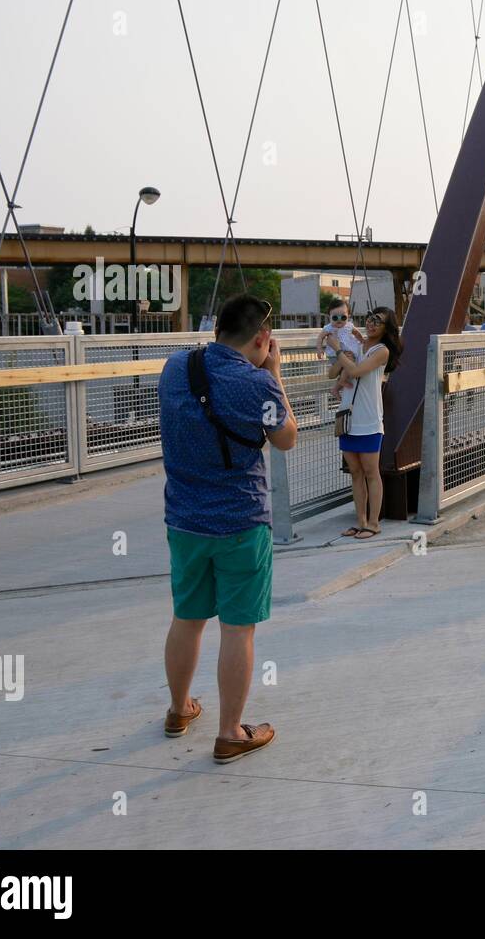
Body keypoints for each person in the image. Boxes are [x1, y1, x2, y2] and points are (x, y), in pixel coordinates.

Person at [157, 294, 297, 763]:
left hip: (185, 521)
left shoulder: (176, 368)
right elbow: (286, 439)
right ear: (262, 338)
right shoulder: (258, 384)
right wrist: (274, 374)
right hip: (241, 521)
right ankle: (230, 732)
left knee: (188, 618)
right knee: (238, 630)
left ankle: (179, 710)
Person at [332, 306, 402, 539]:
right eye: (369, 318)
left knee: (371, 472)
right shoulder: (357, 345)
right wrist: (340, 354)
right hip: (348, 416)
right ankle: (360, 521)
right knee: (355, 472)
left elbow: (358, 371)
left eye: (377, 321)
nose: (371, 323)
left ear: (386, 328)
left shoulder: (382, 351)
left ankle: (374, 523)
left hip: (369, 419)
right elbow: (336, 372)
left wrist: (337, 348)